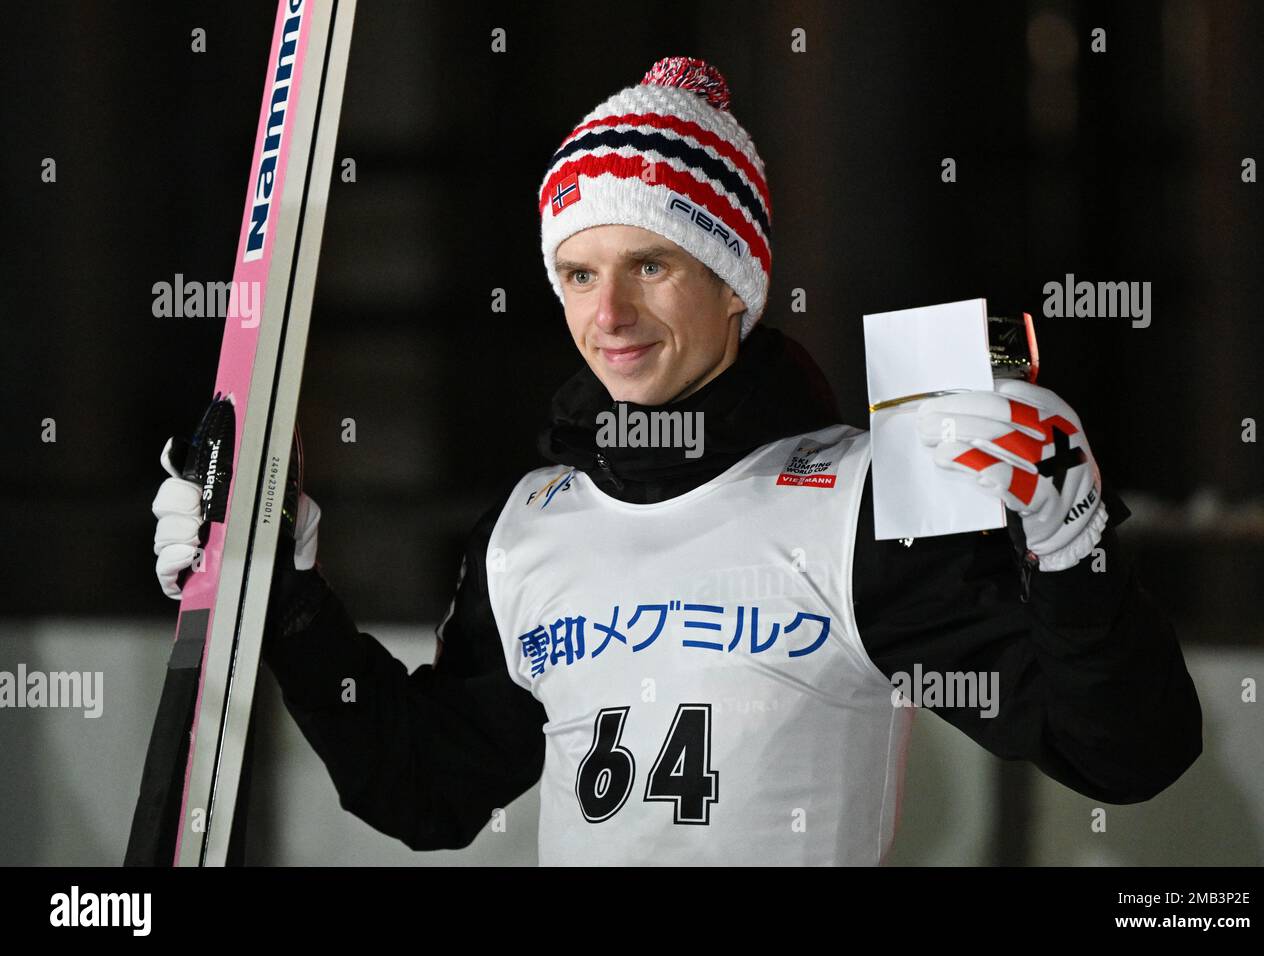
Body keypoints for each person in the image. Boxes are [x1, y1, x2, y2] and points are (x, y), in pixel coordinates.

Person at [151, 56, 1201, 865]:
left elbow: (1125, 752)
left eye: (649, 263)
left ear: (736, 278)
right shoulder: (531, 523)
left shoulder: (858, 503)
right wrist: (286, 599)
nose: (608, 314)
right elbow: (431, 791)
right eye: (576, 272)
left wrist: (1074, 550)